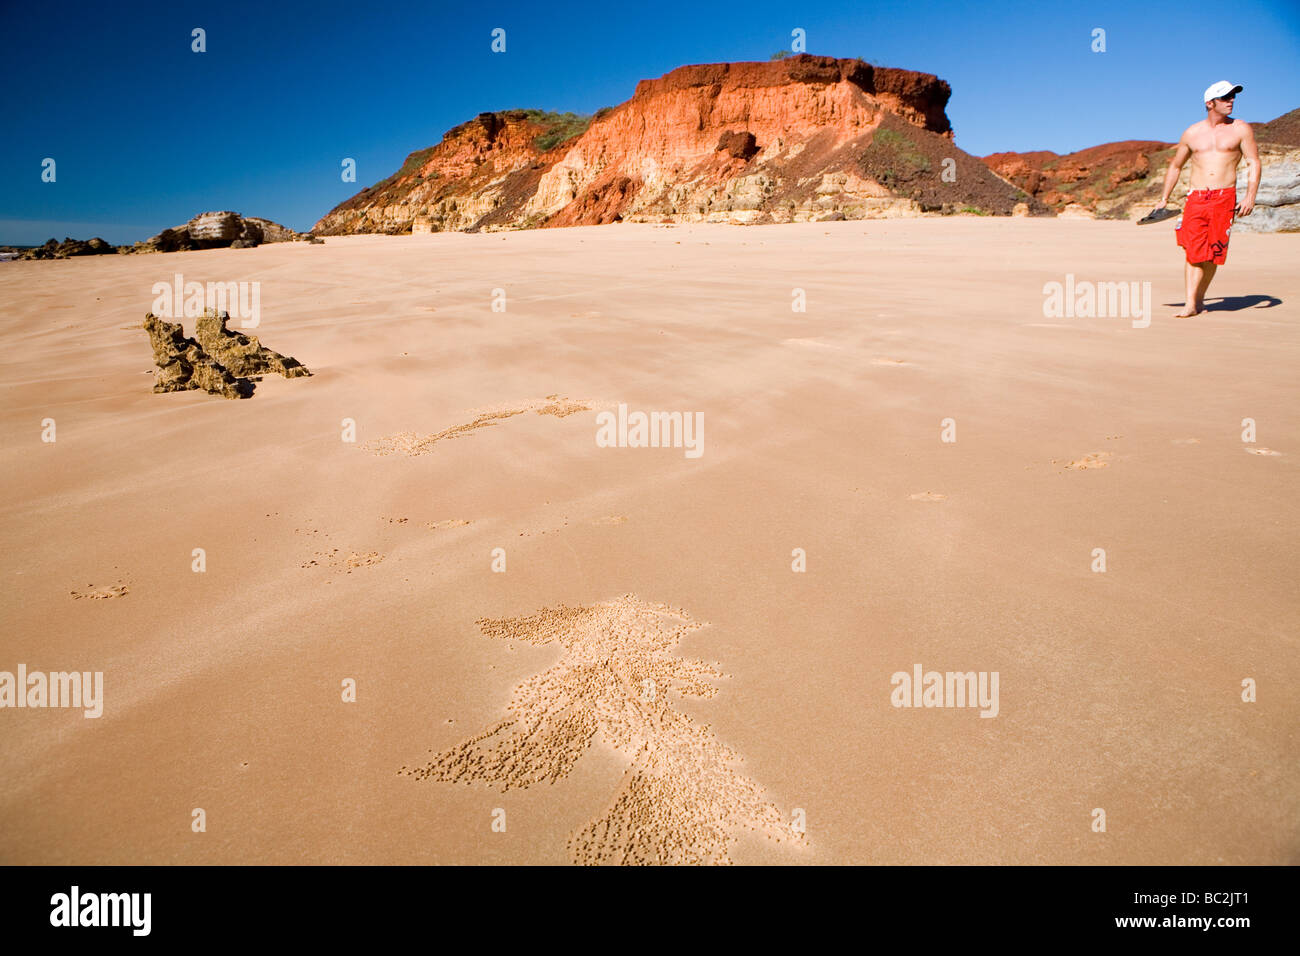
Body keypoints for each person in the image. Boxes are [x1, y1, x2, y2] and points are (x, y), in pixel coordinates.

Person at [1154, 81, 1260, 317]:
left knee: (1214, 253)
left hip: (1224, 197)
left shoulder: (1241, 129)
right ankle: (1190, 303)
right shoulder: (1192, 133)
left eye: (1233, 96)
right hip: (1197, 197)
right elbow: (1175, 166)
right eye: (1225, 97)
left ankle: (1199, 298)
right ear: (1209, 103)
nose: (1231, 100)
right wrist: (1164, 199)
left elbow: (1253, 161)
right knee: (1193, 251)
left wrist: (1250, 196)